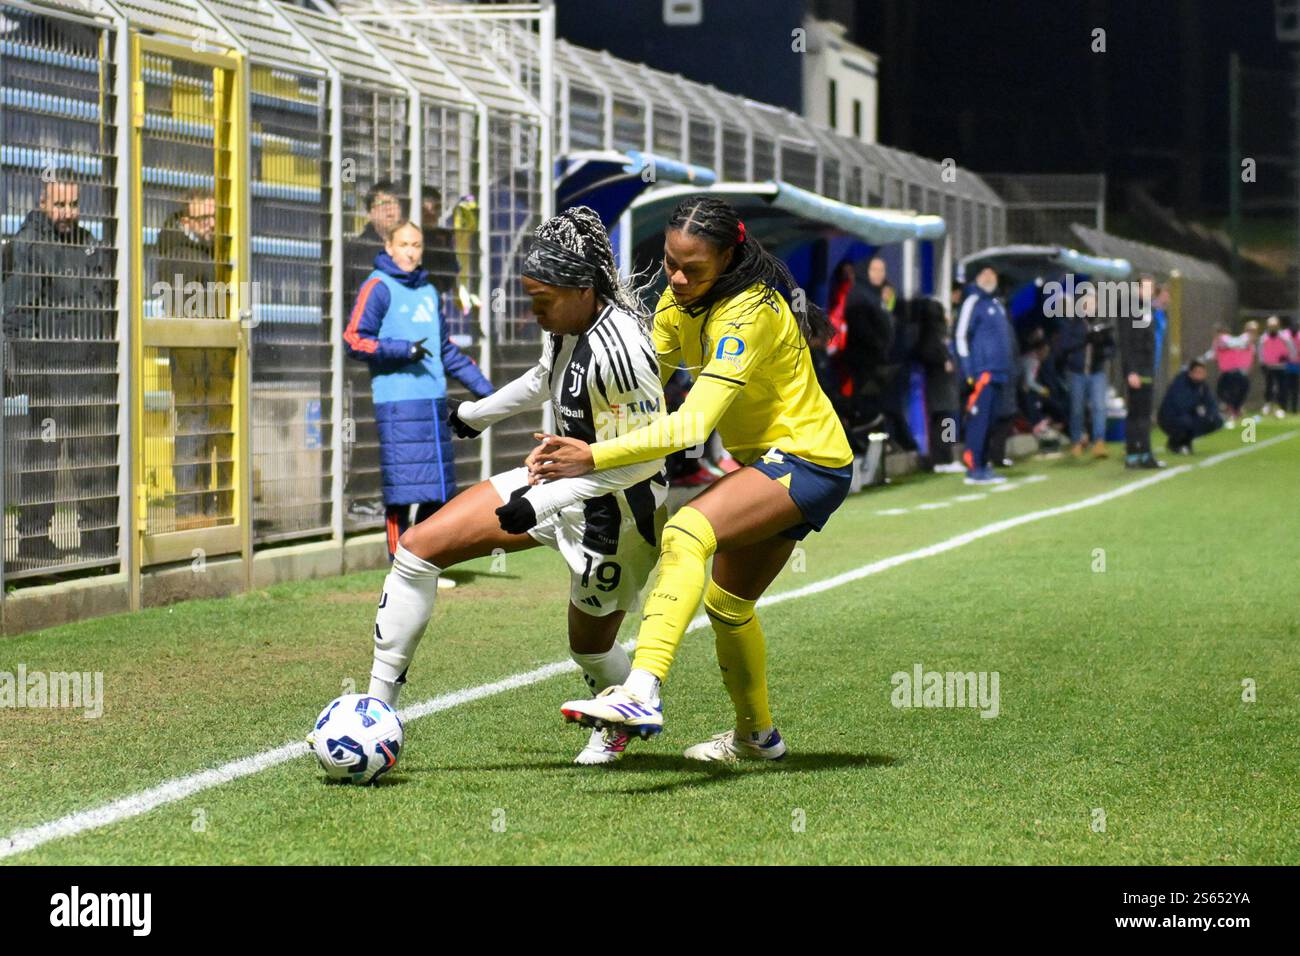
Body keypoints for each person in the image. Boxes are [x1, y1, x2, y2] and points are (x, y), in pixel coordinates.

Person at [533, 196, 854, 762]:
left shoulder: (749, 311)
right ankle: (758, 739)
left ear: (729, 257)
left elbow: (693, 424)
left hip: (808, 459)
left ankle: (640, 690)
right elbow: (640, 392)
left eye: (693, 268)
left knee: (687, 533)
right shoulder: (675, 305)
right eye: (669, 263)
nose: (677, 279)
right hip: (772, 463)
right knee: (729, 606)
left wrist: (595, 457)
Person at [355, 207, 669, 766]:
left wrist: (540, 500)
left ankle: (627, 707)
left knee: (590, 650)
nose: (533, 310)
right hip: (552, 481)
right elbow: (543, 377)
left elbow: (643, 461)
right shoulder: (570, 324)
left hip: (618, 515)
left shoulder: (622, 355)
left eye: (542, 298)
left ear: (582, 288)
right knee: (417, 550)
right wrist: (477, 414)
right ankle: (374, 715)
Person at [344, 220, 495, 562]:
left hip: (433, 404)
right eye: (404, 245)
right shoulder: (377, 286)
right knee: (402, 492)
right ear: (389, 247)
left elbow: (446, 351)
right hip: (398, 404)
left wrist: (488, 392)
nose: (410, 252)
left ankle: (420, 562)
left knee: (438, 489)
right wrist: (402, 349)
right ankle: (399, 567)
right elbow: (354, 339)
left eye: (416, 246)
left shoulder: (428, 292)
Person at [1, 172, 113, 565]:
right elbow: (16, 316)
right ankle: (33, 542)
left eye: (74, 204)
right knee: (42, 461)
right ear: (43, 203)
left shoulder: (87, 244)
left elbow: (103, 305)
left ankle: (99, 541)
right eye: (60, 205)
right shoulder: (29, 244)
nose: (68, 213)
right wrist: (31, 373)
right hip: (47, 374)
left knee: (93, 458)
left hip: (88, 372)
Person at [954, 266, 1013, 484]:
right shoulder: (973, 302)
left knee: (991, 421)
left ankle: (984, 463)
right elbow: (960, 336)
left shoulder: (997, 304)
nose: (989, 277)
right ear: (976, 278)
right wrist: (969, 371)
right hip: (983, 373)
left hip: (1000, 373)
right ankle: (973, 466)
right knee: (978, 420)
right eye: (984, 274)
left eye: (992, 273)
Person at [1056, 288, 1114, 459]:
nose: (1091, 305)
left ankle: (1099, 441)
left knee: (1099, 407)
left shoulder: (1102, 322)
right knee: (1077, 409)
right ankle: (1077, 440)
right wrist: (1085, 339)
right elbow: (1064, 346)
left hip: (1096, 371)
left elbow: (1112, 347)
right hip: (1077, 372)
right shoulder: (1072, 323)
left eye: (1094, 301)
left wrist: (1103, 348)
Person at [1118, 276, 1165, 469]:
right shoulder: (1131, 309)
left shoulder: (1148, 310)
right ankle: (1139, 455)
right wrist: (1131, 371)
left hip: (1146, 368)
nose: (1149, 291)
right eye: (1145, 287)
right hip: (1138, 370)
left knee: (1141, 413)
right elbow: (1127, 342)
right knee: (1139, 414)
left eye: (1151, 288)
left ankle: (1139, 454)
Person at [346, 180, 403, 307]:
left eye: (394, 202)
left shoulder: (409, 248)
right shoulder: (356, 249)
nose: (389, 208)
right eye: (383, 203)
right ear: (370, 213)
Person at [1158, 359, 1222, 454]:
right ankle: (1174, 443)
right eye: (1198, 372)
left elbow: (1210, 402)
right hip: (1169, 418)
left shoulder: (1202, 386)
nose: (1200, 375)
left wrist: (1211, 414)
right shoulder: (1180, 383)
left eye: (1202, 373)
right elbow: (1181, 405)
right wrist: (1198, 408)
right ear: (1190, 373)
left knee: (1215, 420)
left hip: (1189, 415)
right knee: (1186, 421)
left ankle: (1186, 442)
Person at [1212, 321, 1257, 428]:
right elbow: (1216, 353)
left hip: (1240, 372)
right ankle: (1232, 410)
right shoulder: (1226, 340)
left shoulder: (1245, 340)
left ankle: (1234, 410)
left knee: (1238, 391)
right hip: (1230, 371)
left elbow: (1249, 355)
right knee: (1224, 392)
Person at [1258, 315, 1296, 419]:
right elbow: (1261, 352)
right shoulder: (1264, 338)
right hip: (1269, 366)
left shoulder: (1284, 337)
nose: (1272, 328)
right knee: (1269, 386)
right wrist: (1262, 363)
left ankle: (1281, 407)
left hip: (1281, 367)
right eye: (1270, 326)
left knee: (1282, 388)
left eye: (1274, 326)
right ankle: (1268, 405)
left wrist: (1288, 358)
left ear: (1278, 326)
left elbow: (1292, 350)